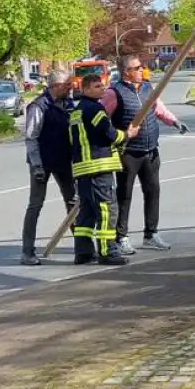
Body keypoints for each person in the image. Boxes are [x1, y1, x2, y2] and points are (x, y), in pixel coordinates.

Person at [101, 54, 189, 255]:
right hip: (128, 152)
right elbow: (101, 118)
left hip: (150, 150)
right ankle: (121, 237)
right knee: (124, 195)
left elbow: (159, 109)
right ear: (126, 72)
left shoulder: (149, 88)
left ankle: (151, 234)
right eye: (138, 67)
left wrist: (174, 122)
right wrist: (115, 137)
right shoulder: (115, 93)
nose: (142, 70)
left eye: (142, 67)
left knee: (152, 192)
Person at [69, 70, 129, 265]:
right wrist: (126, 135)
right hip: (98, 167)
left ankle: (83, 252)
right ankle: (107, 251)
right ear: (85, 89)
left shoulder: (77, 110)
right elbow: (107, 132)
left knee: (86, 213)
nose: (102, 88)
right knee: (106, 210)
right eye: (97, 86)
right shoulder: (95, 109)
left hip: (83, 170)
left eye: (103, 85)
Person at [21, 62, 78, 266]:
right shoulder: (39, 106)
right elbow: (31, 137)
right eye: (67, 85)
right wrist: (36, 166)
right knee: (35, 205)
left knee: (73, 202)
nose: (71, 87)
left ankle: (82, 247)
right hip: (42, 163)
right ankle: (27, 251)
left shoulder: (67, 103)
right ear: (56, 86)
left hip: (64, 160)